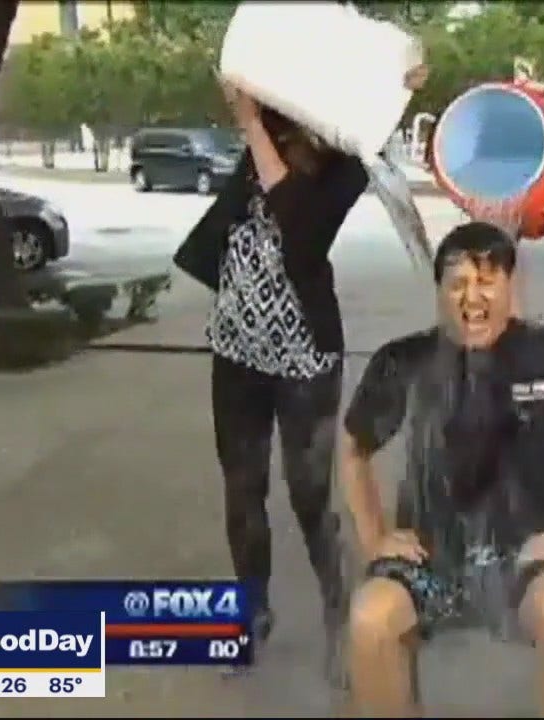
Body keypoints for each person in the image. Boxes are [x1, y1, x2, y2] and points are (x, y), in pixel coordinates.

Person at [173, 66, 429, 683]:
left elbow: (295, 221)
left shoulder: (340, 163)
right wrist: (252, 108)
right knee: (242, 493)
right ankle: (250, 614)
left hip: (303, 358)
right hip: (236, 351)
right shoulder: (268, 135)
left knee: (311, 496)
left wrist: (399, 89)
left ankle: (341, 620)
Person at [338, 222, 544, 716]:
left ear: (509, 287)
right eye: (457, 284)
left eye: (486, 282)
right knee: (370, 617)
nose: (471, 297)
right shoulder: (403, 362)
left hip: (524, 560)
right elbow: (351, 448)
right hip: (434, 560)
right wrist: (374, 540)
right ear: (439, 293)